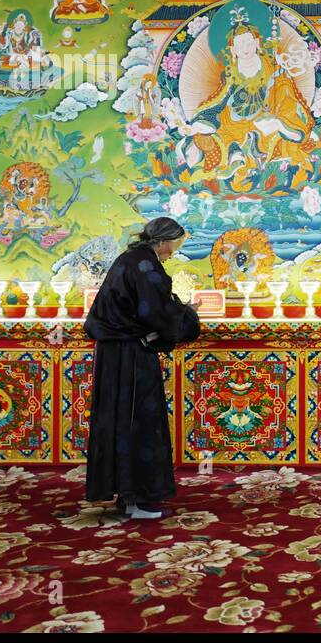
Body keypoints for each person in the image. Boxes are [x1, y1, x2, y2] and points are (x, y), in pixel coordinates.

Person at [84, 217, 201, 520]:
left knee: (119, 420)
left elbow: (145, 306)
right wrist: (187, 315)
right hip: (131, 356)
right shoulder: (146, 265)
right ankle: (137, 500)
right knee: (138, 422)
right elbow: (155, 312)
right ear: (162, 242)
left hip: (114, 354)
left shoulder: (130, 259)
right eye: (174, 244)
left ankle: (126, 495)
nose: (174, 251)